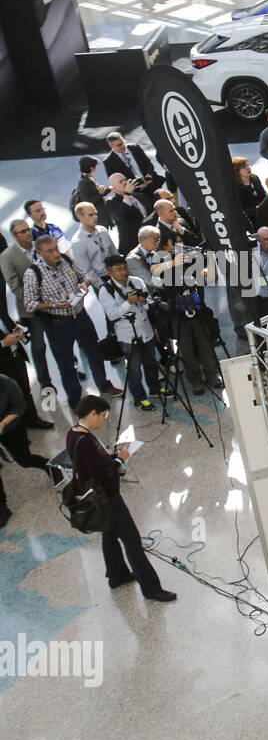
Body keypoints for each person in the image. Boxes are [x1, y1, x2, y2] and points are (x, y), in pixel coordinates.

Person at [67, 394, 176, 601]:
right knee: (132, 541)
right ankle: (151, 588)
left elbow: (93, 466)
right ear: (92, 413)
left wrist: (112, 458)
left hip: (100, 498)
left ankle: (117, 575)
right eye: (102, 415)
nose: (104, 419)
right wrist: (121, 459)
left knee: (109, 534)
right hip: (108, 497)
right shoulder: (86, 440)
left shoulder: (73, 433)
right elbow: (100, 473)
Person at [21, 235, 121, 405]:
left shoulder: (66, 260)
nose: (55, 253)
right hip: (58, 323)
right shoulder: (33, 273)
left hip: (81, 316)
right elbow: (30, 304)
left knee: (94, 353)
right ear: (39, 253)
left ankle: (104, 385)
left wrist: (84, 284)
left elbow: (84, 276)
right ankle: (75, 400)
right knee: (66, 363)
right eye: (50, 251)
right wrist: (54, 305)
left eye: (56, 248)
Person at [153, 232, 223, 394]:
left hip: (197, 310)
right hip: (178, 314)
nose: (179, 248)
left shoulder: (191, 261)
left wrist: (209, 260)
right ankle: (195, 380)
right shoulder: (163, 265)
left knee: (205, 345)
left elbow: (209, 277)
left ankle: (212, 375)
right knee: (187, 349)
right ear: (165, 248)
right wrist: (172, 263)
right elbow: (155, 273)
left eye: (180, 243)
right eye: (174, 244)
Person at [97, 255, 162, 411]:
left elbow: (149, 304)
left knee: (151, 362)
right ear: (110, 273)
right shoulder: (106, 291)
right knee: (134, 368)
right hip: (127, 336)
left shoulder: (136, 282)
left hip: (145, 331)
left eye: (124, 267)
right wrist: (128, 303)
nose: (123, 272)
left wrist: (144, 303)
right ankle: (139, 398)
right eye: (118, 270)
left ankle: (155, 388)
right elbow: (112, 315)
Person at [1, 220, 53, 395]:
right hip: (31, 310)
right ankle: (45, 382)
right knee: (39, 346)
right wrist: (36, 300)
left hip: (54, 304)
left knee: (60, 341)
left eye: (28, 230)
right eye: (22, 232)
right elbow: (15, 285)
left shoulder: (39, 247)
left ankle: (72, 368)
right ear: (15, 236)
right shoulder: (7, 256)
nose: (28, 233)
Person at [0, 373, 52, 530]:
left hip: (11, 428)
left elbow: (20, 406)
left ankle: (50, 466)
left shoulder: (7, 383)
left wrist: (2, 424)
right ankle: (2, 507)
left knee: (24, 460)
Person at [103, 131, 165, 201]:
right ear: (111, 146)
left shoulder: (135, 147)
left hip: (151, 185)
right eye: (119, 145)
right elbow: (114, 181)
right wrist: (131, 186)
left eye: (123, 143)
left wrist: (149, 174)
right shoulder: (109, 161)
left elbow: (148, 163)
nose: (123, 146)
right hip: (135, 193)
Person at [68, 202, 118, 283]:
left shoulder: (102, 230)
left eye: (96, 214)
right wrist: (103, 286)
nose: (95, 217)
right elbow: (86, 271)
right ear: (80, 217)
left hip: (117, 271)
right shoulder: (77, 243)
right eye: (91, 215)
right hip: (102, 279)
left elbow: (114, 252)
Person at [105, 174, 150, 254]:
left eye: (125, 179)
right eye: (120, 182)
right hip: (133, 247)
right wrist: (127, 195)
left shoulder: (140, 196)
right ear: (114, 188)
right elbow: (121, 217)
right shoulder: (111, 203)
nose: (125, 182)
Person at [231, 157, 266, 234]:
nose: (248, 168)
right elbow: (239, 207)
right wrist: (256, 210)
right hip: (248, 219)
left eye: (248, 165)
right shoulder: (235, 186)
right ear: (237, 170)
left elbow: (263, 195)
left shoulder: (254, 178)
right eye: (244, 167)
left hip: (262, 213)